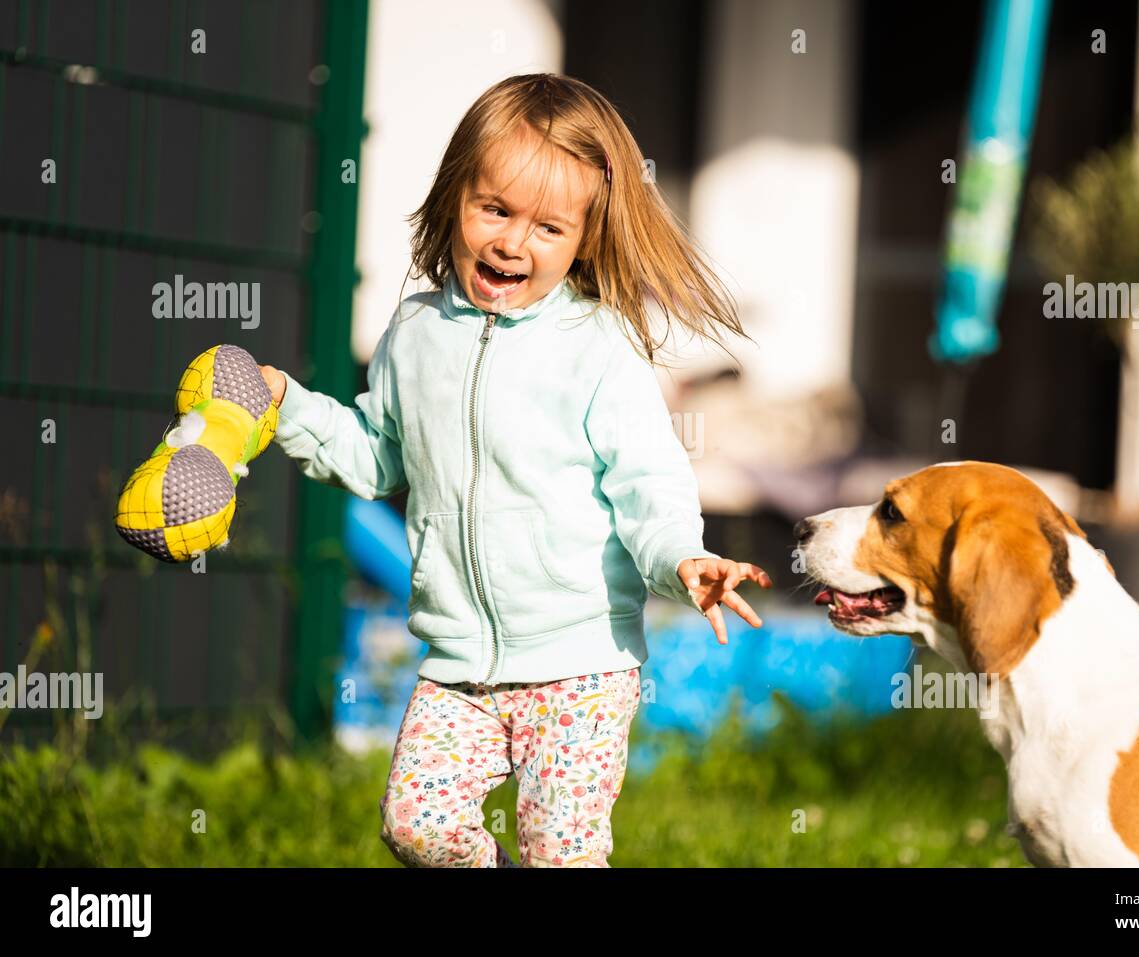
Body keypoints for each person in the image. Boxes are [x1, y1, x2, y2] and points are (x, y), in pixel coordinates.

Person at [258, 73, 771, 867]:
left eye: (548, 227)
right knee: (416, 825)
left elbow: (649, 485)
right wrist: (286, 404)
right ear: (455, 197)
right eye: (494, 210)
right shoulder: (415, 332)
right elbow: (373, 453)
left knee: (559, 852)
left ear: (583, 240)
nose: (512, 242)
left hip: (581, 667)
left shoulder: (598, 348)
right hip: (459, 663)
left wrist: (684, 559)